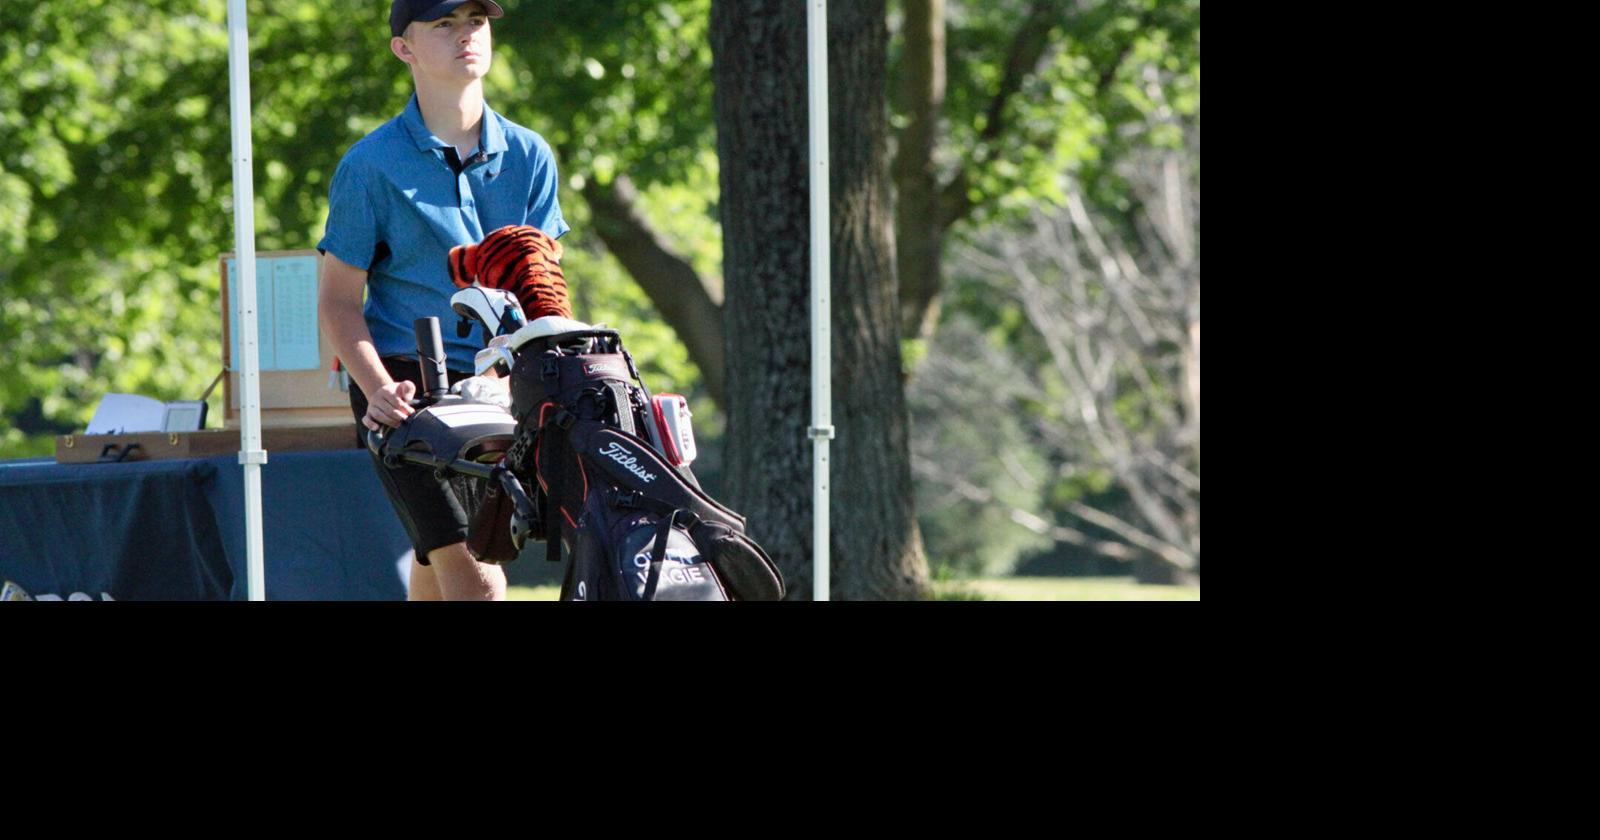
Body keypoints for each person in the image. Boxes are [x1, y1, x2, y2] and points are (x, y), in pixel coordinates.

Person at [317, 0, 569, 601]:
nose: (467, 36)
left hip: (500, 386)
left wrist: (538, 376)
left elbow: (543, 286)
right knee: (477, 575)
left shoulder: (531, 154)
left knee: (440, 565)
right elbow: (337, 302)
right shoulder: (369, 165)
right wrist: (377, 389)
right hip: (403, 389)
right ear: (403, 48)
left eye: (476, 22)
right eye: (444, 24)